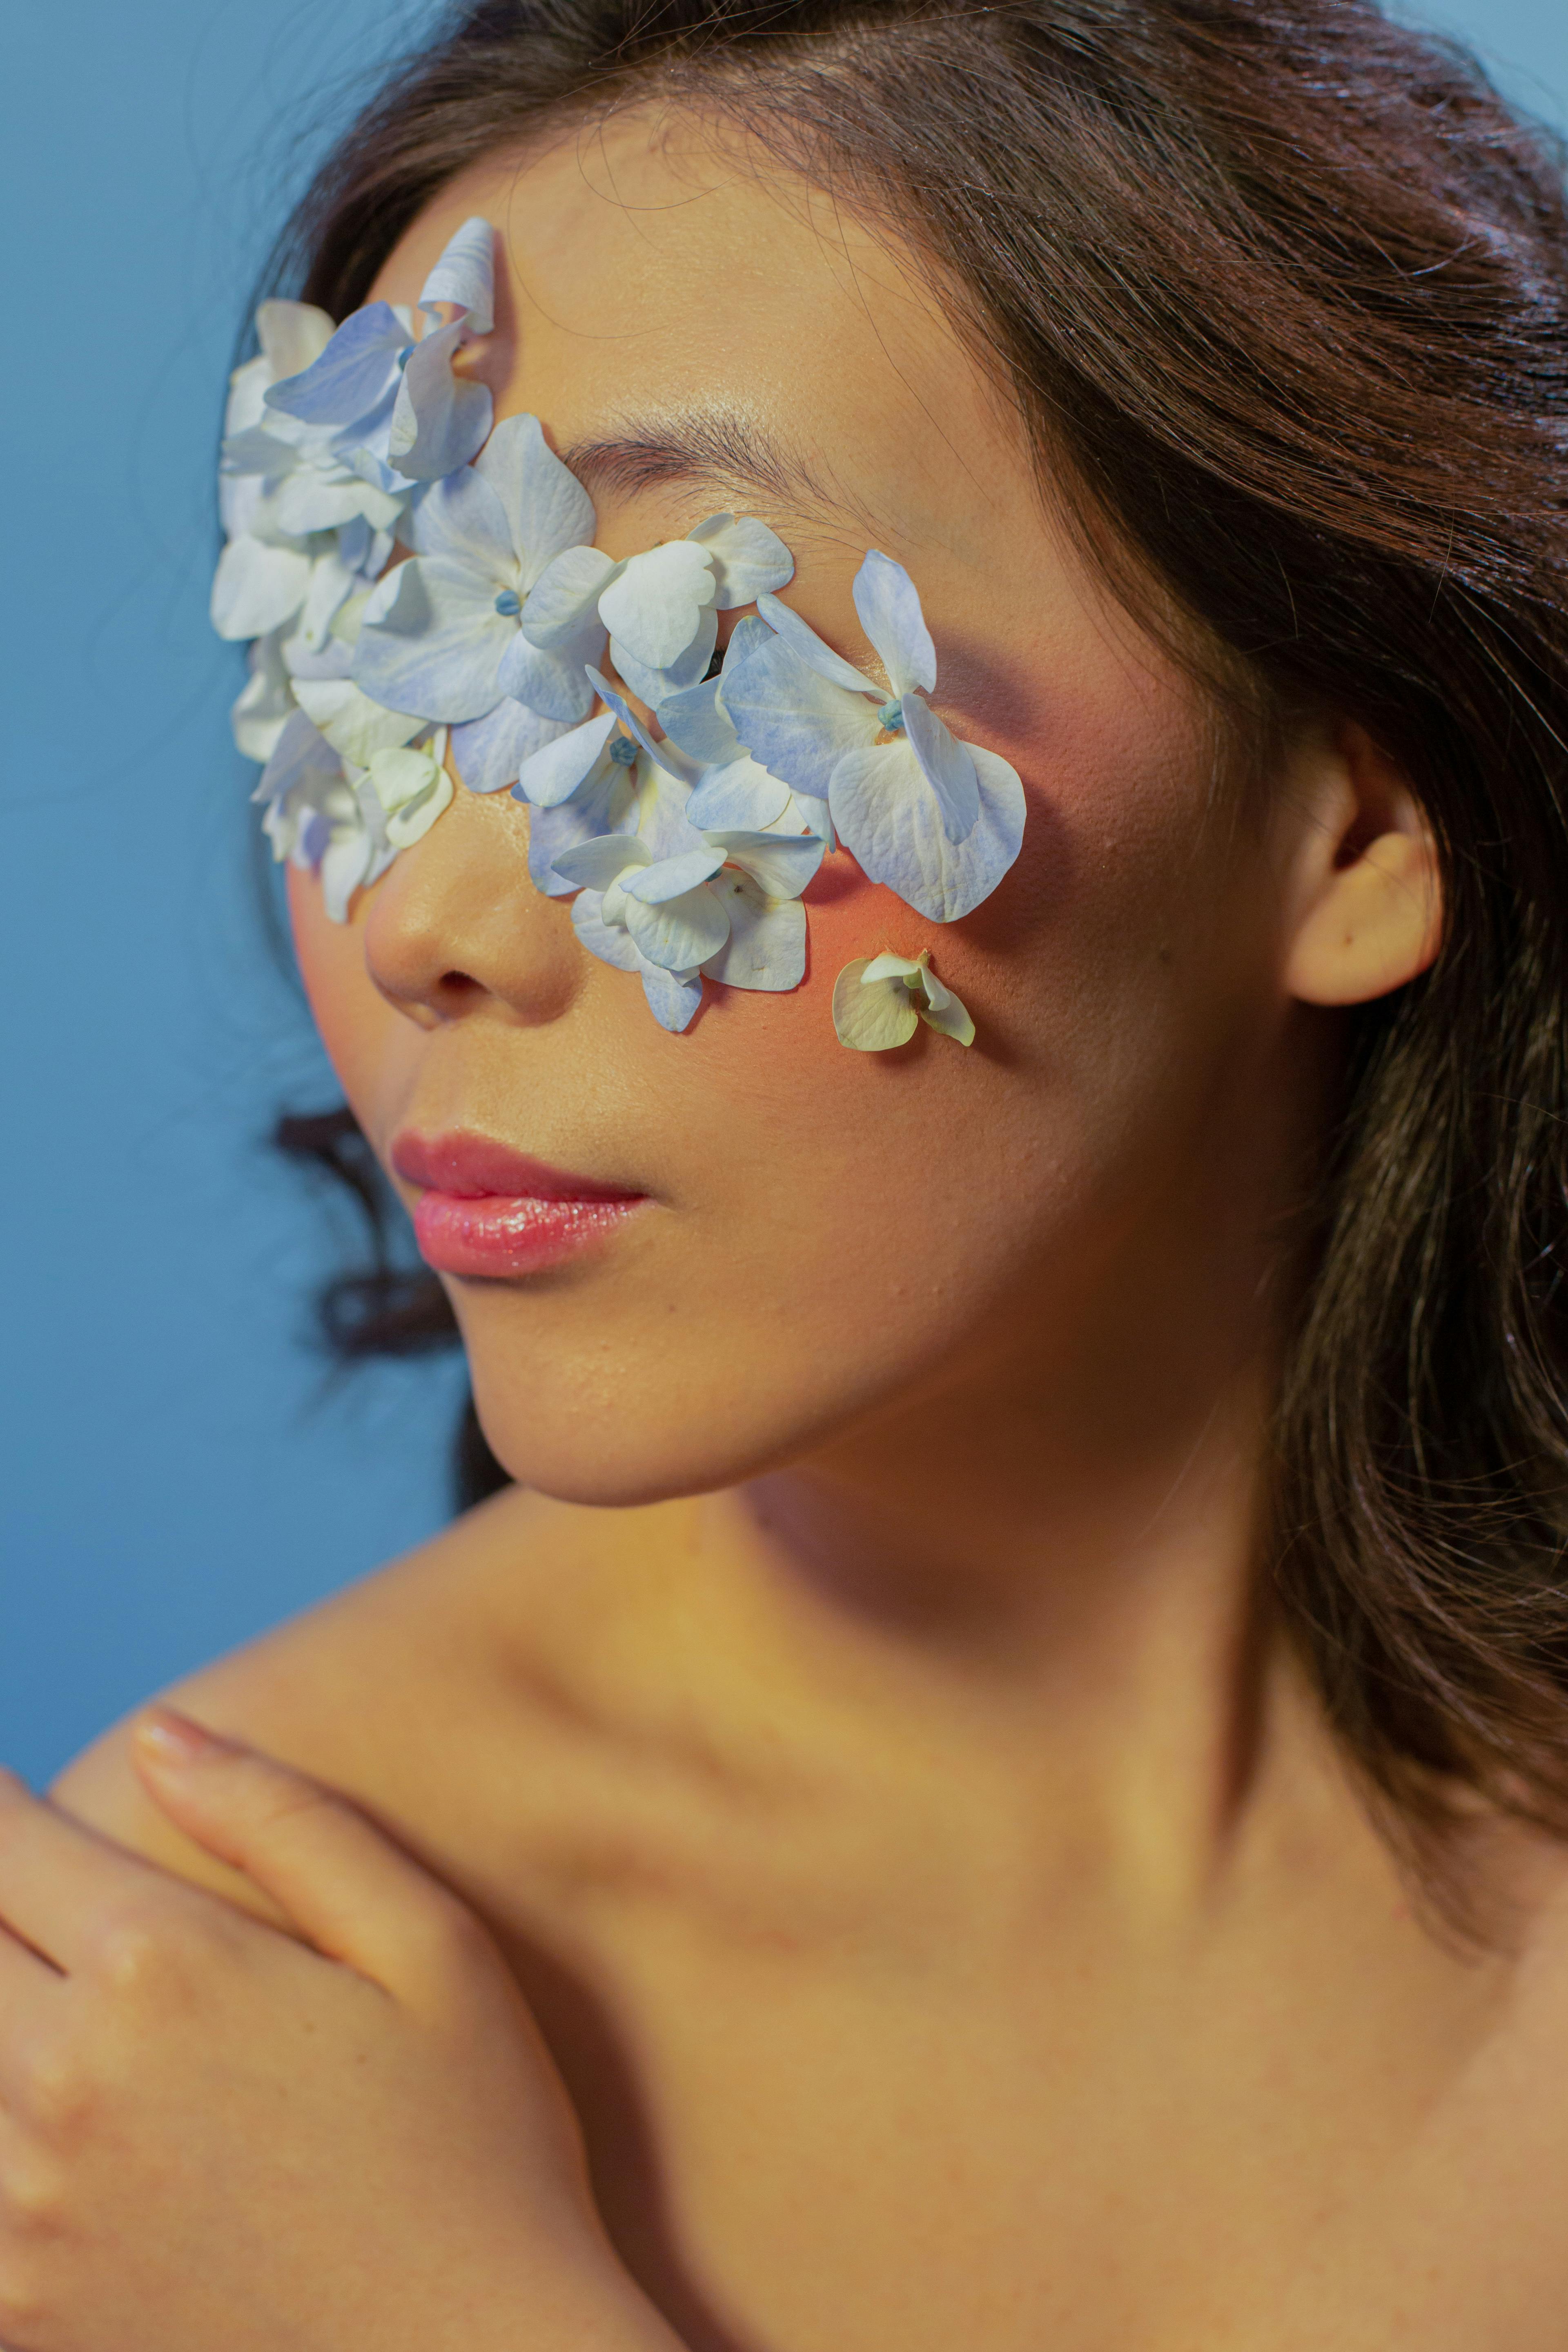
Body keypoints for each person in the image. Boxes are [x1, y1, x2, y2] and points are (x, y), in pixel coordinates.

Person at [4, 1, 1568, 2344]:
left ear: (1354, 821)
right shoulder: (178, 2035)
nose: (420, 919)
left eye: (685, 655)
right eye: (379, 678)